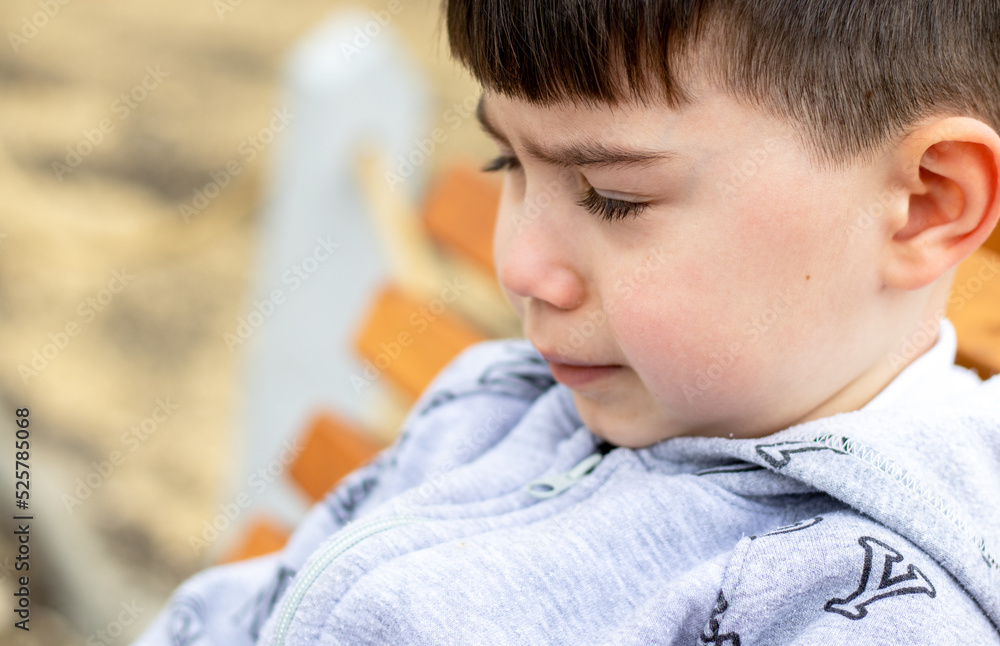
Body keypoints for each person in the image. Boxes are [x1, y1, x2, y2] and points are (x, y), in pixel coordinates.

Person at [134, 1, 1000, 643]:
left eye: (613, 198)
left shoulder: (866, 607)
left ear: (927, 204)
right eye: (507, 159)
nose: (519, 265)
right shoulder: (489, 409)